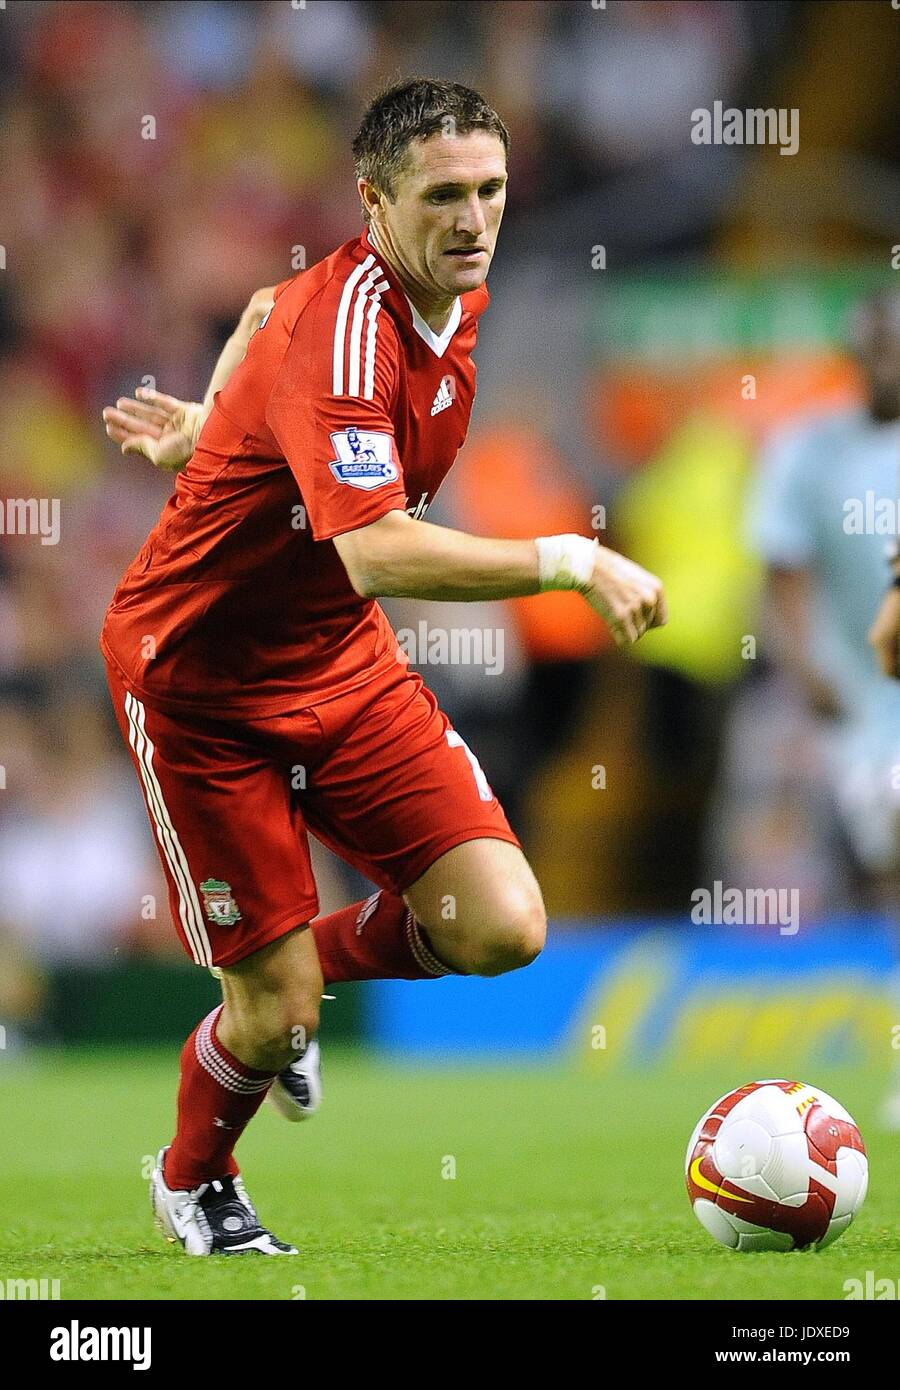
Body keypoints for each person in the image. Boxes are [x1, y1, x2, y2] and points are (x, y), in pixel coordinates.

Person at [100, 79, 667, 1256]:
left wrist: (214, 428)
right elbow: (373, 548)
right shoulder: (351, 323)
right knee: (268, 1015)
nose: (473, 220)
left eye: (491, 192)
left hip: (339, 665)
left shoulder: (441, 299)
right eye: (443, 196)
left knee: (503, 926)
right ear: (373, 200)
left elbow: (266, 310)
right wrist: (566, 558)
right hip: (199, 683)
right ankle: (192, 1175)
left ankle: (300, 975)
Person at [749, 290, 900, 1127]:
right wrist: (806, 666)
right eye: (877, 344)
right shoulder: (809, 450)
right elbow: (782, 567)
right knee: (890, 870)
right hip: (863, 709)